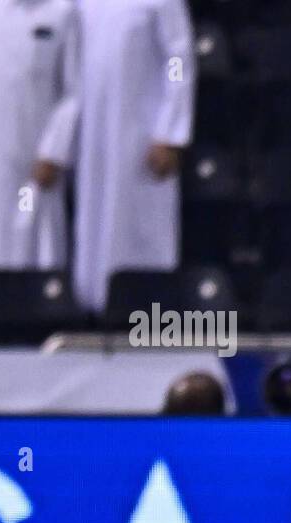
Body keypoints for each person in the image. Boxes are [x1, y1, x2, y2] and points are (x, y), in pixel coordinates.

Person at [73, 0, 195, 313]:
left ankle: (145, 310)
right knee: (94, 222)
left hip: (142, 139)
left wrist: (171, 132)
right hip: (92, 136)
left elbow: (177, 60)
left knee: (136, 223)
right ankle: (90, 308)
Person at [0, 0, 79, 269]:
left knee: (37, 240)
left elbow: (73, 92)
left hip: (38, 162)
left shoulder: (64, 12)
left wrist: (54, 151)